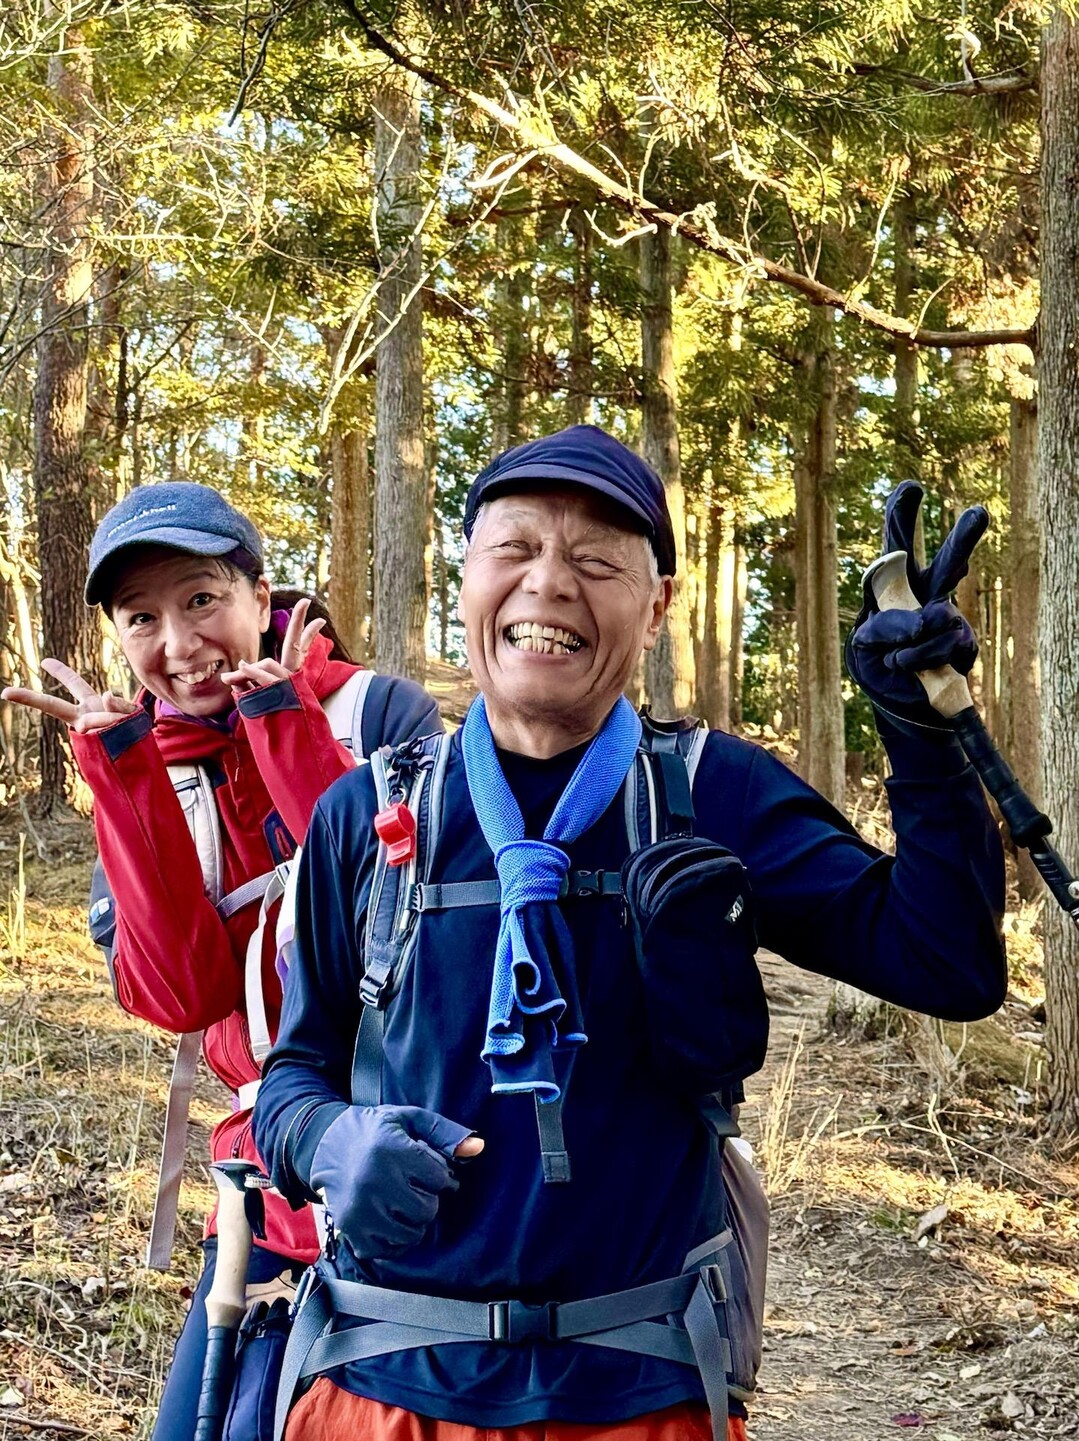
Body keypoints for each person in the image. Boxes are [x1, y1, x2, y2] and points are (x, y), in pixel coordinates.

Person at [253, 425, 1007, 1441]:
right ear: (461, 574)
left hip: (639, 1389)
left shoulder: (710, 793)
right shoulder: (364, 814)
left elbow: (944, 961)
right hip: (381, 1382)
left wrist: (919, 734)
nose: (549, 584)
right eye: (513, 549)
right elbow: (294, 1071)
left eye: (597, 561)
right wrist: (326, 1137)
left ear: (654, 608)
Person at [2, 482, 441, 1441]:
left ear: (260, 593)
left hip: (417, 1154)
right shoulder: (135, 759)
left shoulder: (378, 713)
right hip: (264, 1181)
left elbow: (416, 932)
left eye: (202, 598)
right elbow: (180, 993)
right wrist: (124, 779)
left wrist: (283, 728)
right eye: (141, 618)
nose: (179, 641)